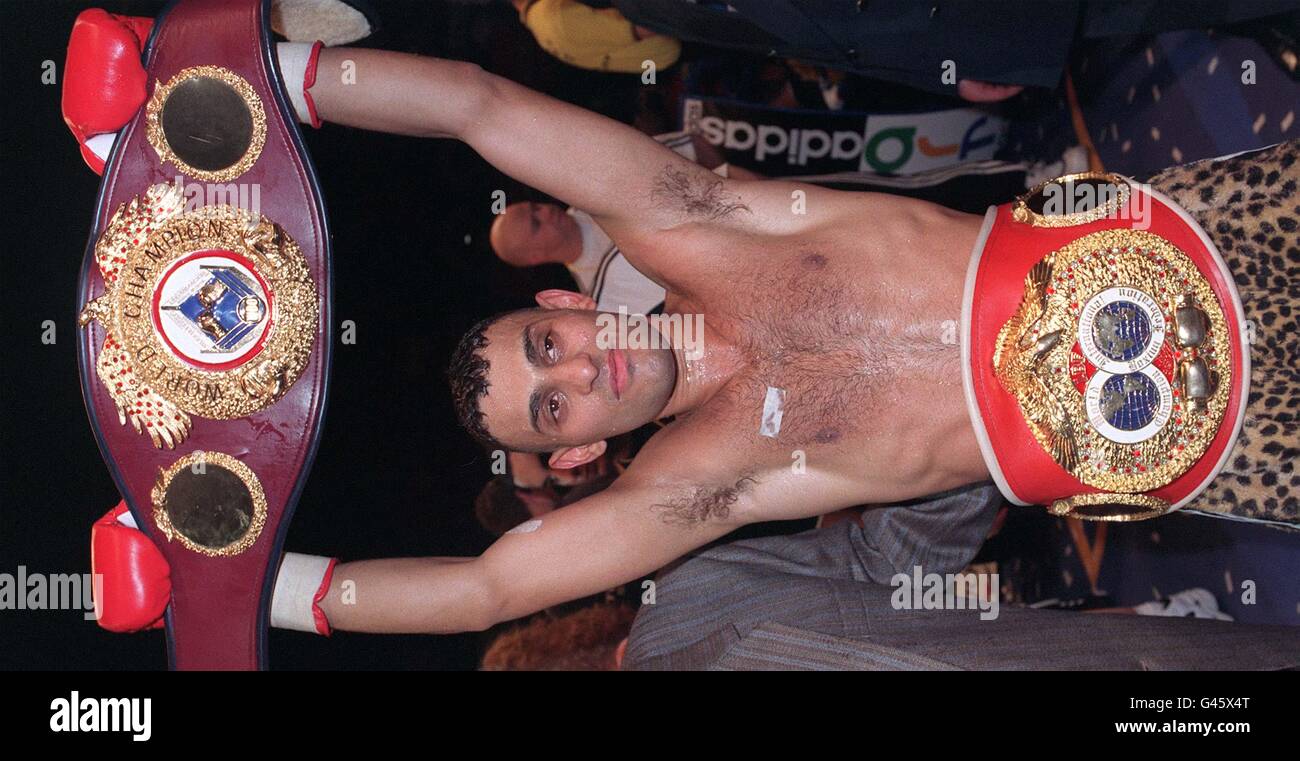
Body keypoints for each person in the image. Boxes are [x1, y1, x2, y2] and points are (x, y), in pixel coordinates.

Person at [85, 36, 1297, 640]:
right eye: (551, 408)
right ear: (572, 459)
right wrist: (247, 588)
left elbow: (477, 106)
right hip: (1197, 441)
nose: (578, 371)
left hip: (1184, 242)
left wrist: (252, 73)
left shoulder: (692, 224)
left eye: (544, 350)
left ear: (559, 307)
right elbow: (486, 585)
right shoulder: (692, 485)